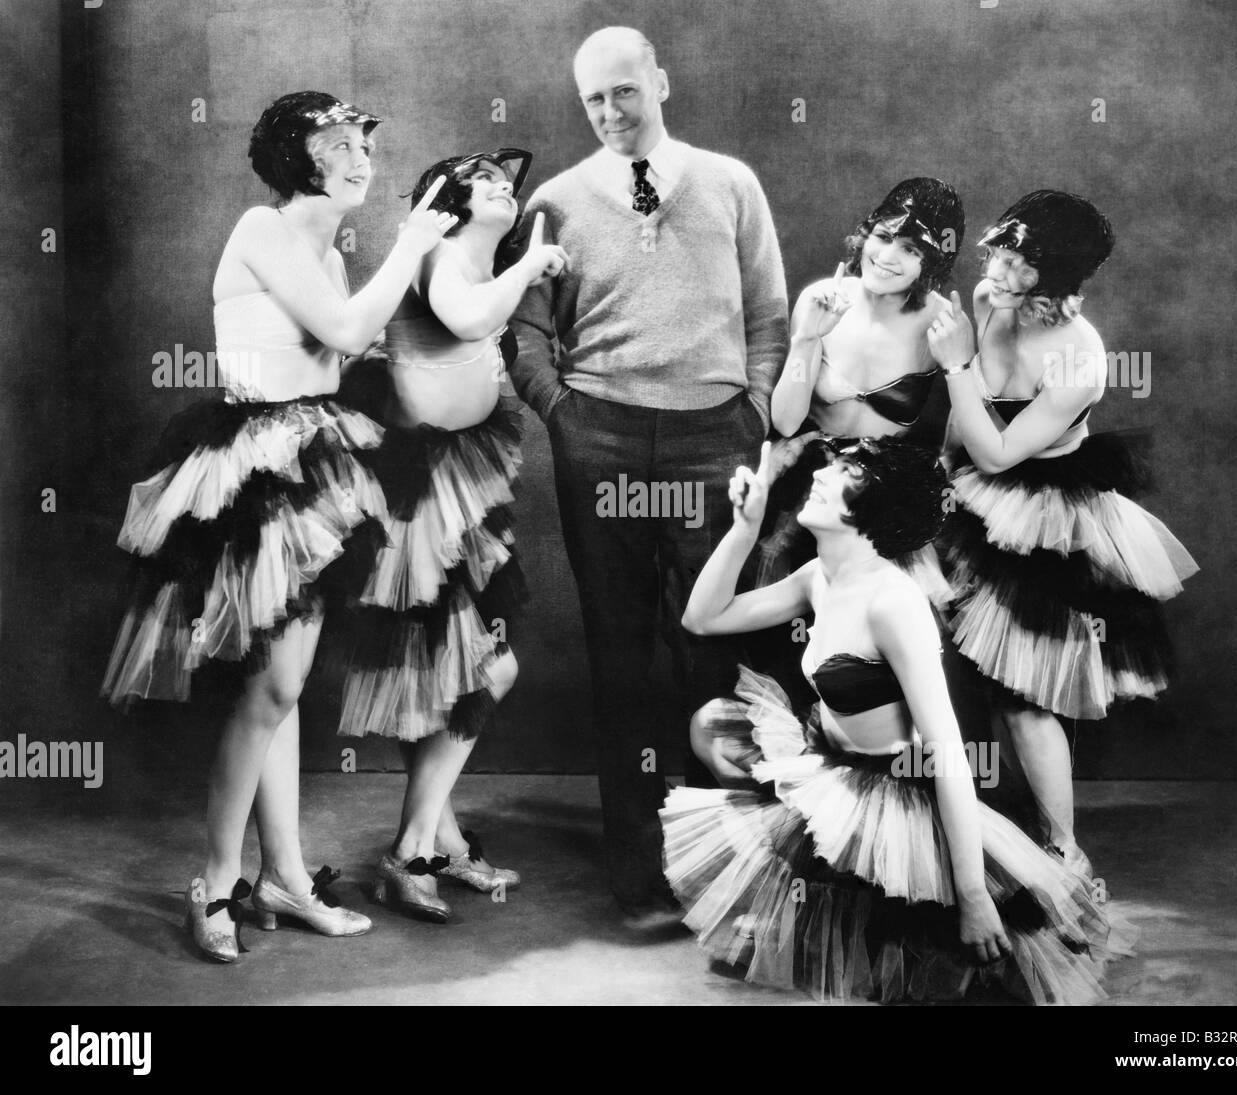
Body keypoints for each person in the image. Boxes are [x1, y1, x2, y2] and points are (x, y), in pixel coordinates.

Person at [101, 91, 457, 962]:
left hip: (316, 458)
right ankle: (217, 879)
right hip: (257, 468)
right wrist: (411, 246)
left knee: (282, 688)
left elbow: (334, 358)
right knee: (271, 689)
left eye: (365, 142)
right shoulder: (262, 230)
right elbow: (336, 330)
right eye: (339, 145)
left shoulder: (328, 249)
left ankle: (284, 877)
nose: (361, 158)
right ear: (297, 157)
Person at [660, 437, 1132, 1004]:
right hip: (832, 767)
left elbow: (949, 753)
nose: (823, 475)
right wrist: (744, 526)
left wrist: (974, 895)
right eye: (832, 464)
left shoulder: (893, 602)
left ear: (877, 509)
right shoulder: (820, 575)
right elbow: (703, 618)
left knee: (942, 971)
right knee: (711, 723)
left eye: (845, 471)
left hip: (898, 795)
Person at [508, 27, 787, 916]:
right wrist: (564, 415)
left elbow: (769, 316)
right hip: (604, 444)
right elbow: (523, 331)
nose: (610, 112)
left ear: (660, 82)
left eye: (624, 91)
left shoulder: (732, 182)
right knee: (619, 654)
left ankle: (726, 860)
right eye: (593, 99)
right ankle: (636, 864)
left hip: (717, 438)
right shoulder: (553, 200)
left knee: (716, 648)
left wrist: (753, 411)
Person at [925, 190, 1198, 875]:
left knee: (1025, 698)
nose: (1005, 275)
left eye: (1026, 269)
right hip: (977, 496)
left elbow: (999, 451)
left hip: (1044, 519)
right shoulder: (991, 299)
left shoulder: (1082, 354)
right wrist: (937, 469)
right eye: (1004, 255)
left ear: (1061, 280)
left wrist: (956, 365)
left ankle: (1063, 853)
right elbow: (968, 426)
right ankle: (980, 833)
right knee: (963, 678)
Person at [336, 149, 567, 920]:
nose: (506, 188)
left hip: (459, 480)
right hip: (420, 492)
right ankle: (411, 852)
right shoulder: (436, 253)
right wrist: (531, 262)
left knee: (444, 673)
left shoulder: (472, 262)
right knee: (483, 671)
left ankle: (443, 841)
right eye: (488, 182)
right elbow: (467, 318)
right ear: (453, 201)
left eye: (511, 184)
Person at [761, 177, 964, 593]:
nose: (887, 257)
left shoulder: (941, 323)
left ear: (932, 264)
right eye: (884, 236)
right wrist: (807, 339)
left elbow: (956, 431)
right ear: (865, 235)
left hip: (883, 495)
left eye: (911, 249)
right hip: (809, 479)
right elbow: (785, 421)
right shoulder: (822, 297)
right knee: (789, 629)